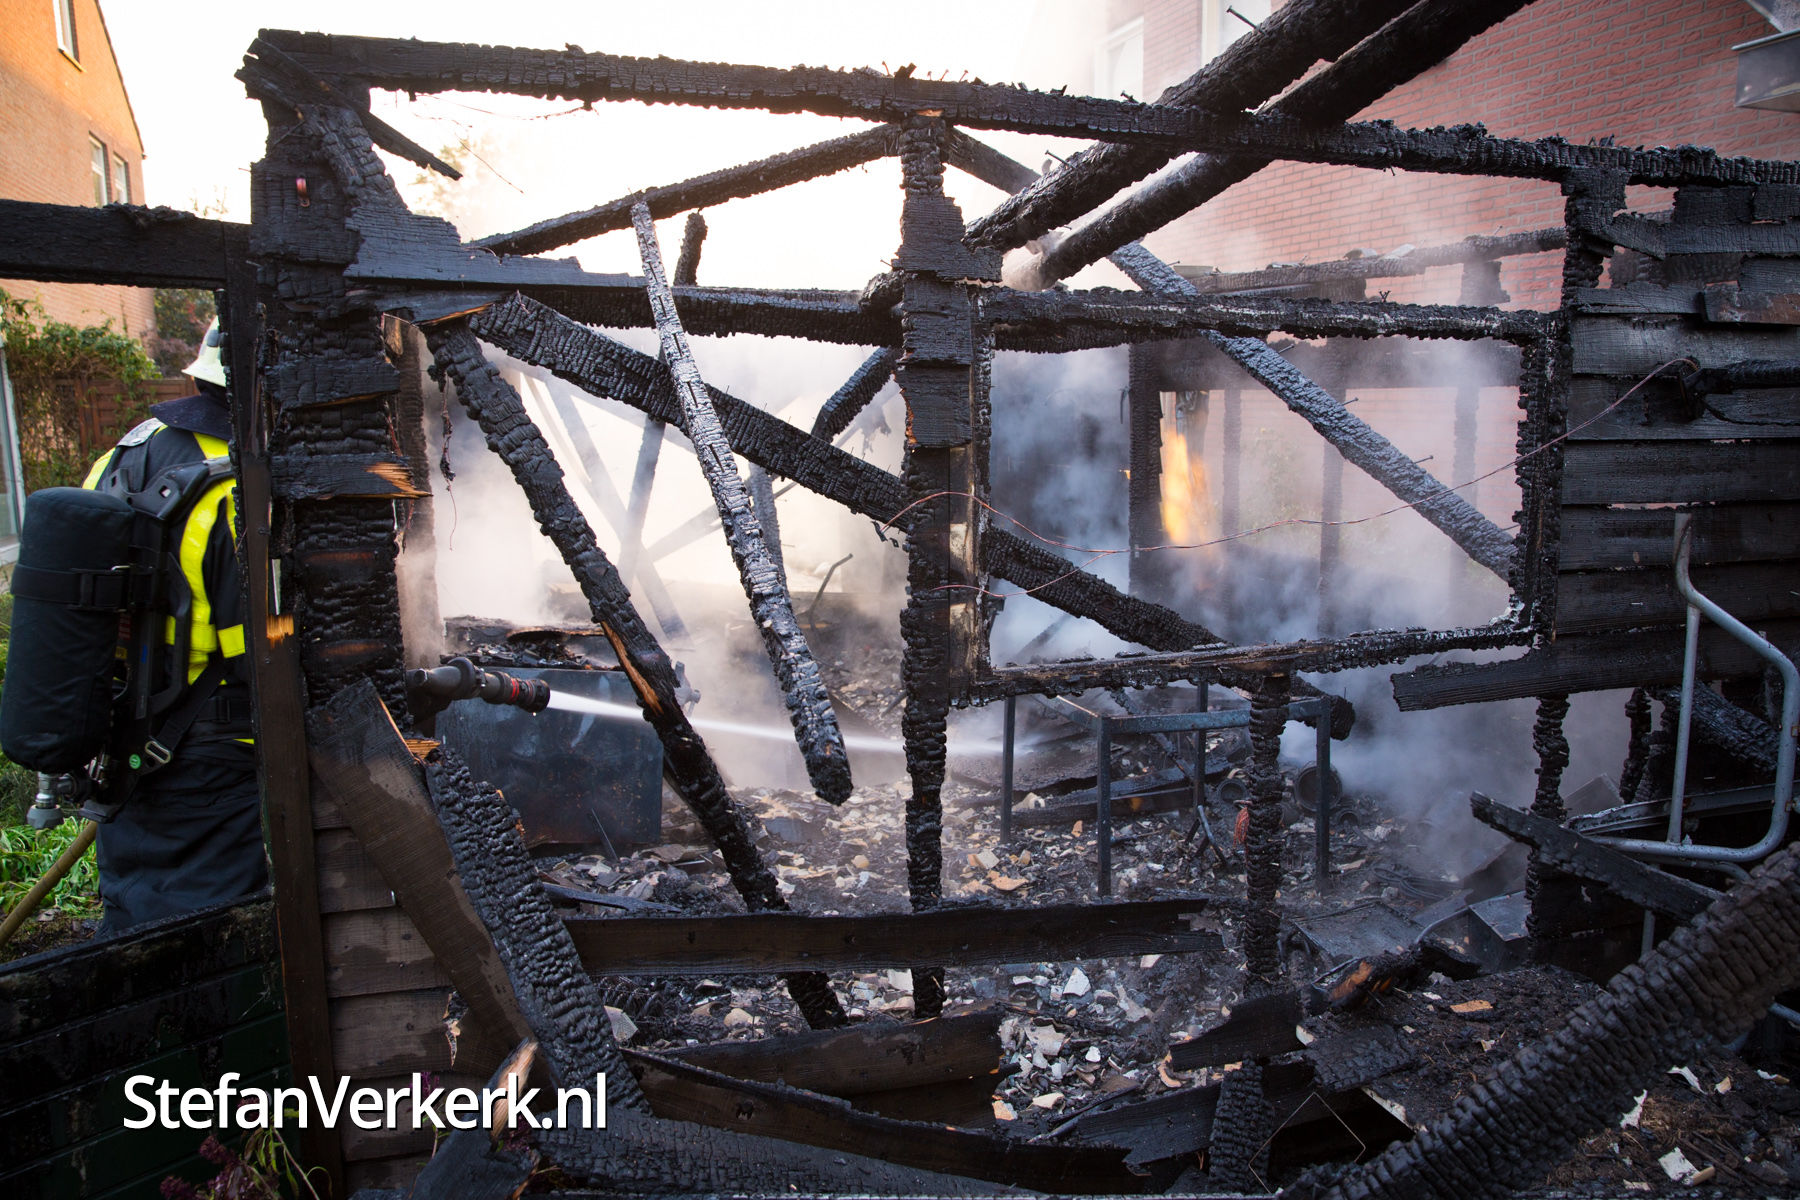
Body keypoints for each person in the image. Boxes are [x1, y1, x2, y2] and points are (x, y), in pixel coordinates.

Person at [85, 320, 266, 934]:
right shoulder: (238, 485)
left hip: (121, 745)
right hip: (211, 761)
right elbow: (259, 658)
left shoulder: (123, 455)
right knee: (211, 941)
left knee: (134, 920)